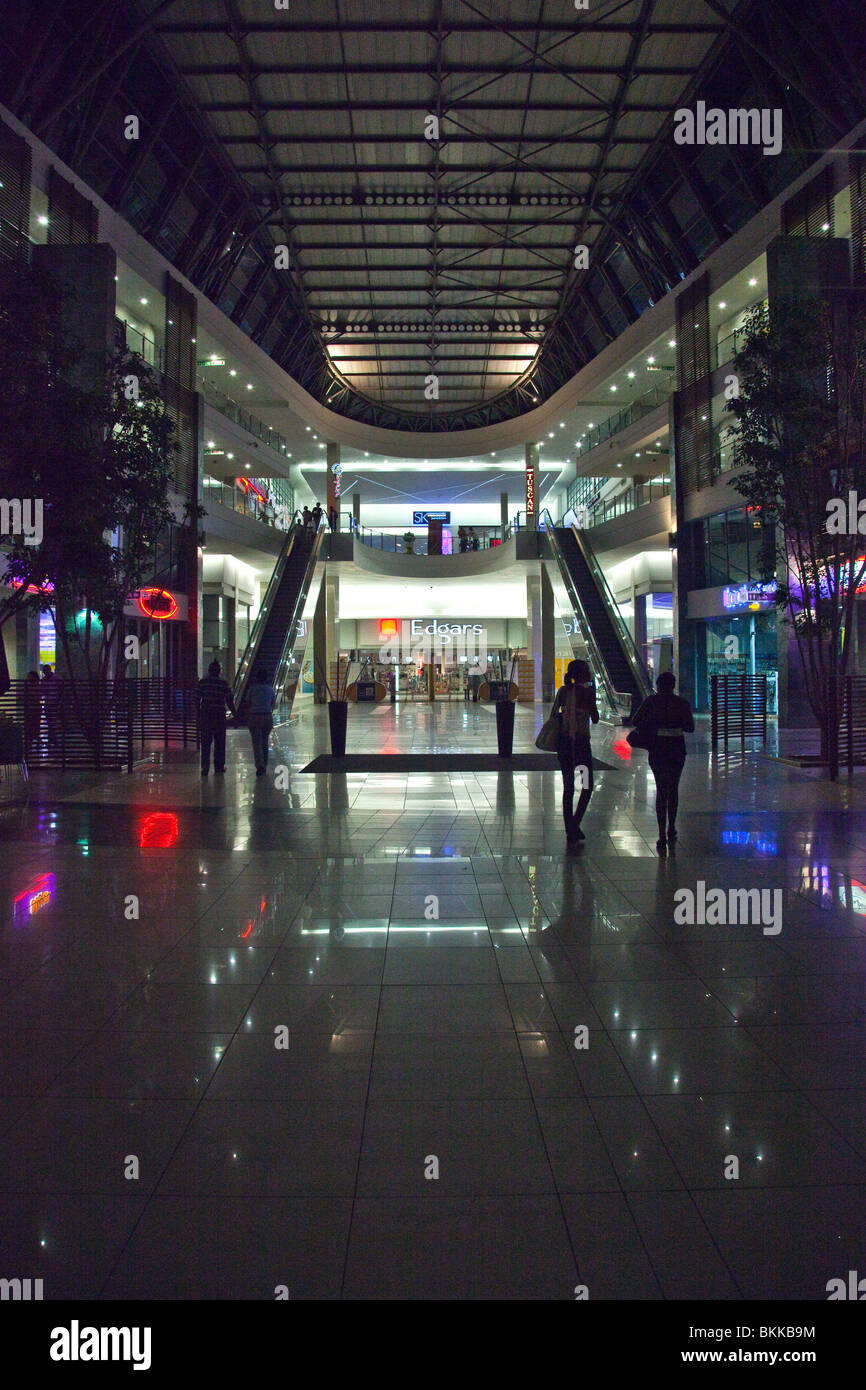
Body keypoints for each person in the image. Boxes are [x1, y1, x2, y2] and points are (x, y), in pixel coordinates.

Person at [632, 670, 694, 855]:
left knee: (661, 789)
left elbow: (636, 721)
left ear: (657, 685)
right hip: (676, 748)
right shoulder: (681, 703)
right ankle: (672, 827)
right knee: (673, 788)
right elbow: (690, 727)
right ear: (673, 685)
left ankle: (661, 834)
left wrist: (654, 724)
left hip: (658, 748)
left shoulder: (651, 701)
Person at [551, 658, 599, 847]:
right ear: (582, 674)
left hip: (563, 745)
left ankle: (569, 827)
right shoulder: (587, 693)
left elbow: (554, 715)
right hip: (580, 745)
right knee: (586, 785)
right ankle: (575, 823)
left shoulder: (563, 692)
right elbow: (595, 718)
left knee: (568, 786)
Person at [197, 659, 236, 776]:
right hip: (219, 715)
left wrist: (198, 714)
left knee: (205, 742)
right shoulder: (224, 684)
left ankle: (205, 767)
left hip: (206, 715)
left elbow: (196, 699)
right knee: (220, 742)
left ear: (209, 670)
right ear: (219, 671)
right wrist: (235, 715)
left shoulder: (203, 683)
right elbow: (229, 701)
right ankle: (219, 766)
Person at [245, 664, 276, 776]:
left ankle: (260, 765)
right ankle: (265, 763)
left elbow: (247, 703)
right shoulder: (270, 690)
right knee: (264, 741)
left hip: (254, 716)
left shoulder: (252, 689)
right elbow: (273, 704)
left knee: (256, 742)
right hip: (267, 716)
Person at [41, 664, 61, 747]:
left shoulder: (56, 679)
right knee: (50, 722)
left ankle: (53, 739)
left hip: (53, 703)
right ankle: (52, 739)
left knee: (52, 722)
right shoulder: (44, 680)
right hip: (48, 704)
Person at [23, 670, 42, 758]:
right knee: (30, 727)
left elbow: (37, 696)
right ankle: (31, 744)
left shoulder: (35, 686)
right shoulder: (29, 686)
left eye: (30, 676)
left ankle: (33, 743)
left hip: (34, 709)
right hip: (31, 709)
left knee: (34, 727)